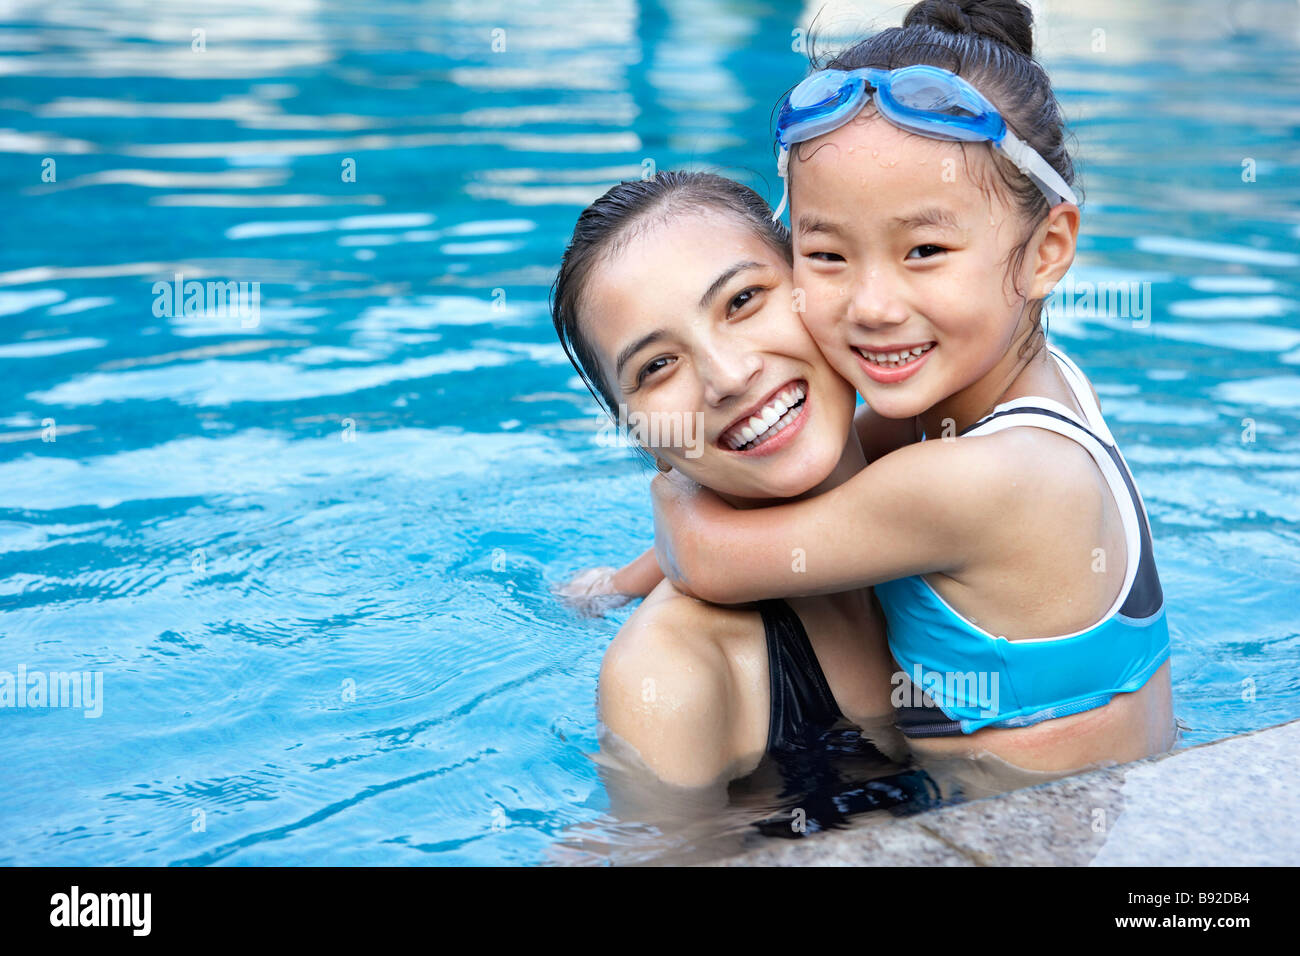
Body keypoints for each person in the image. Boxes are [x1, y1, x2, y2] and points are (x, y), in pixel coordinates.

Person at [651, 0, 1176, 774]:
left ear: (1047, 249)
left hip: (1028, 841)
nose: (873, 306)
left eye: (924, 249)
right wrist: (622, 574)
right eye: (827, 256)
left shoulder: (990, 477)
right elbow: (799, 488)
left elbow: (707, 557)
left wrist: (672, 479)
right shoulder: (1016, 392)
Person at [551, 171, 910, 792]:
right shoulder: (673, 677)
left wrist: (619, 582)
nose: (729, 376)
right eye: (658, 366)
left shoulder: (959, 452)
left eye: (742, 301)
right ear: (640, 436)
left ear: (819, 281)